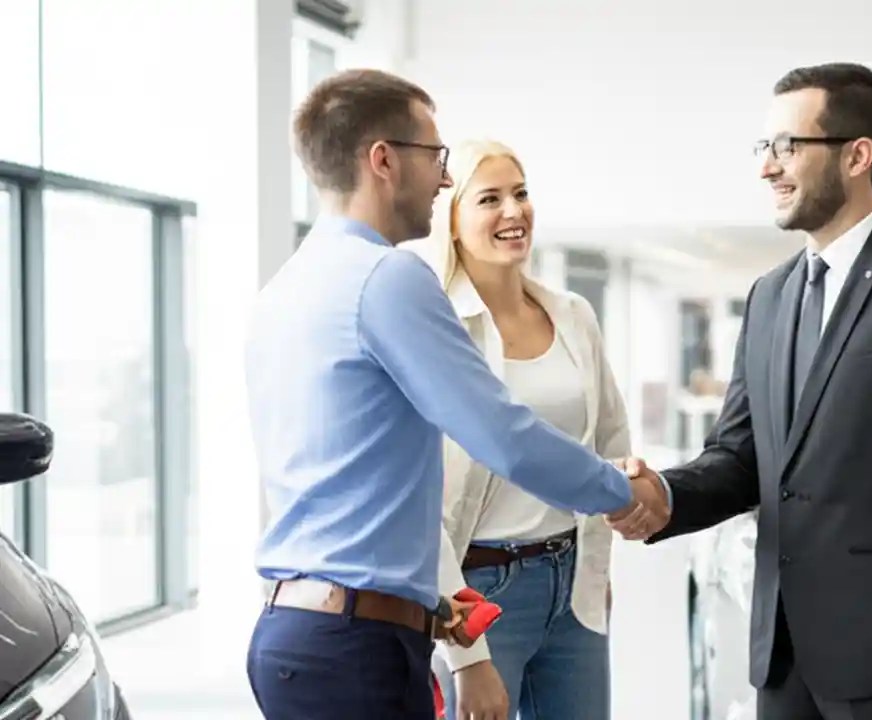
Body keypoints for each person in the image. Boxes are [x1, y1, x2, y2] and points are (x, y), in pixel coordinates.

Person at [242, 69, 669, 720]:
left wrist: (437, 604)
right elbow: (504, 436)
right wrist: (624, 493)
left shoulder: (286, 287)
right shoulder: (388, 279)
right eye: (435, 157)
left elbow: (349, 482)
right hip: (357, 646)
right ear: (382, 160)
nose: (443, 178)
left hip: (300, 630)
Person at [625, 62, 872, 720]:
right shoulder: (770, 296)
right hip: (784, 658)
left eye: (788, 146)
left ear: (857, 155)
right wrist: (663, 496)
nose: (767, 168)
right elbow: (742, 457)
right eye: (764, 147)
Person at [404, 139, 629, 720]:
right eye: (490, 199)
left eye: (521, 193)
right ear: (453, 224)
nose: (514, 211)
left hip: (570, 581)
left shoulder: (573, 313)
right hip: (480, 591)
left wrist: (595, 569)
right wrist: (464, 652)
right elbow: (419, 499)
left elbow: (610, 441)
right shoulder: (439, 328)